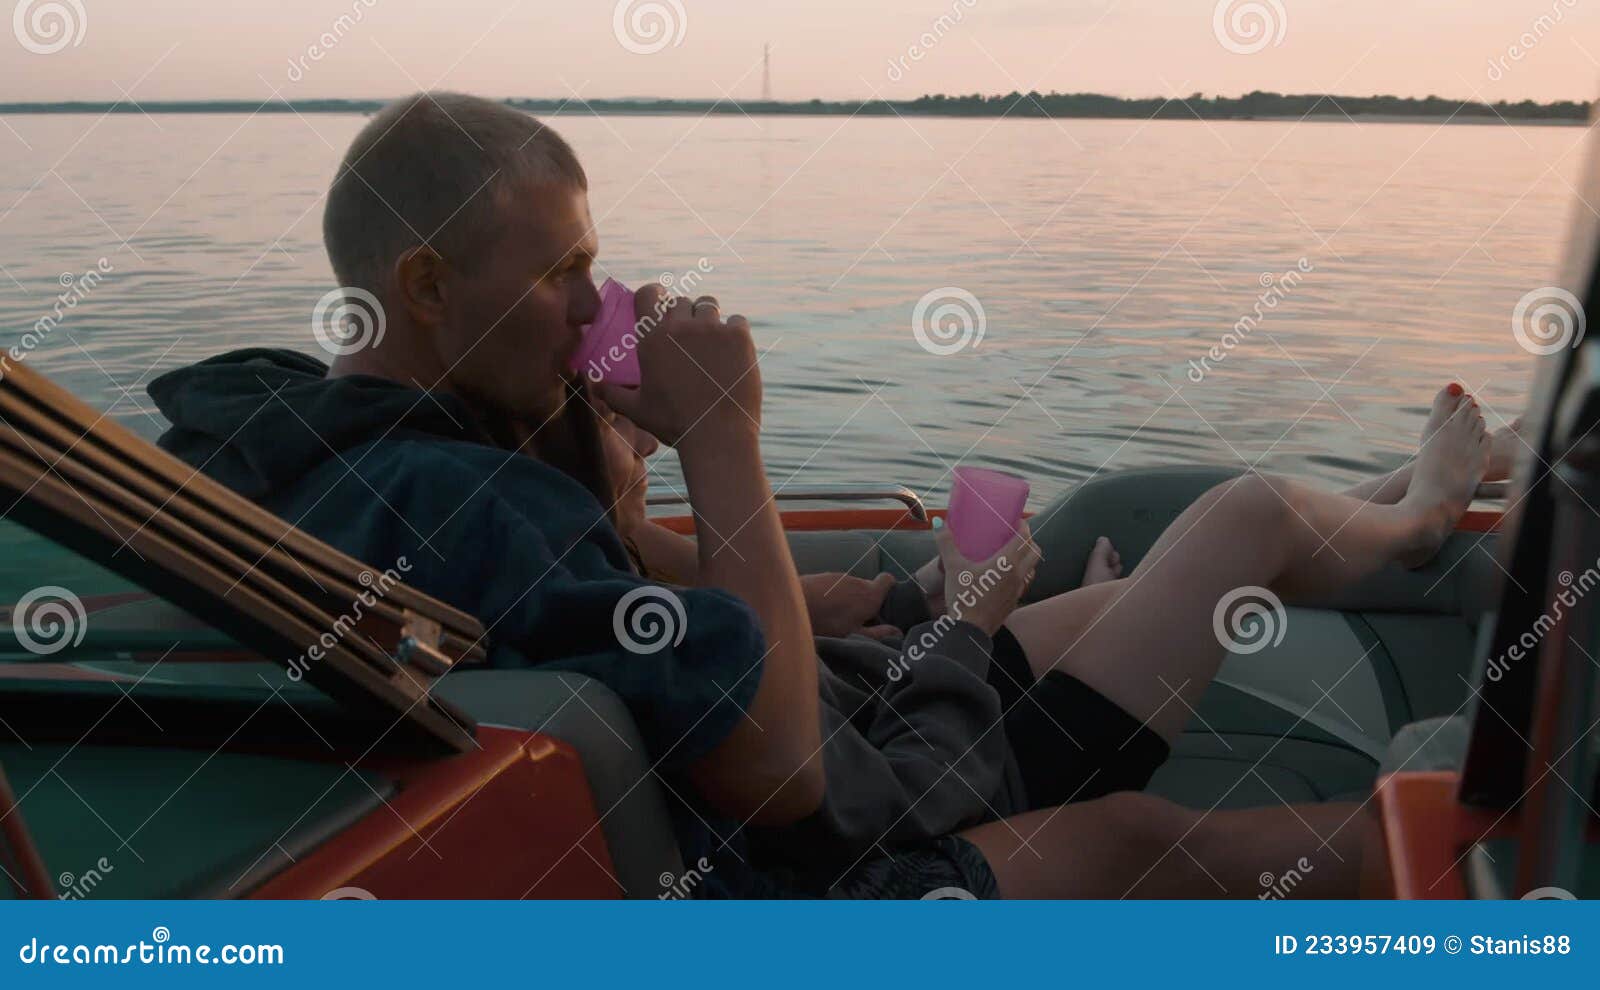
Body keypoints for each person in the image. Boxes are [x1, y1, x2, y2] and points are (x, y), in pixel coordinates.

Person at [148, 92, 1490, 898]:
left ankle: (1391, 505)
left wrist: (618, 486)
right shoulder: (468, 495)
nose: (595, 304)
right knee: (1220, 580)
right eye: (565, 269)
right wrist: (727, 433)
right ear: (430, 287)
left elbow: (627, 600)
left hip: (841, 731)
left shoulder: (306, 448)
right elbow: (786, 776)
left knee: (1129, 590)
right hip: (825, 851)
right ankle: (1498, 833)